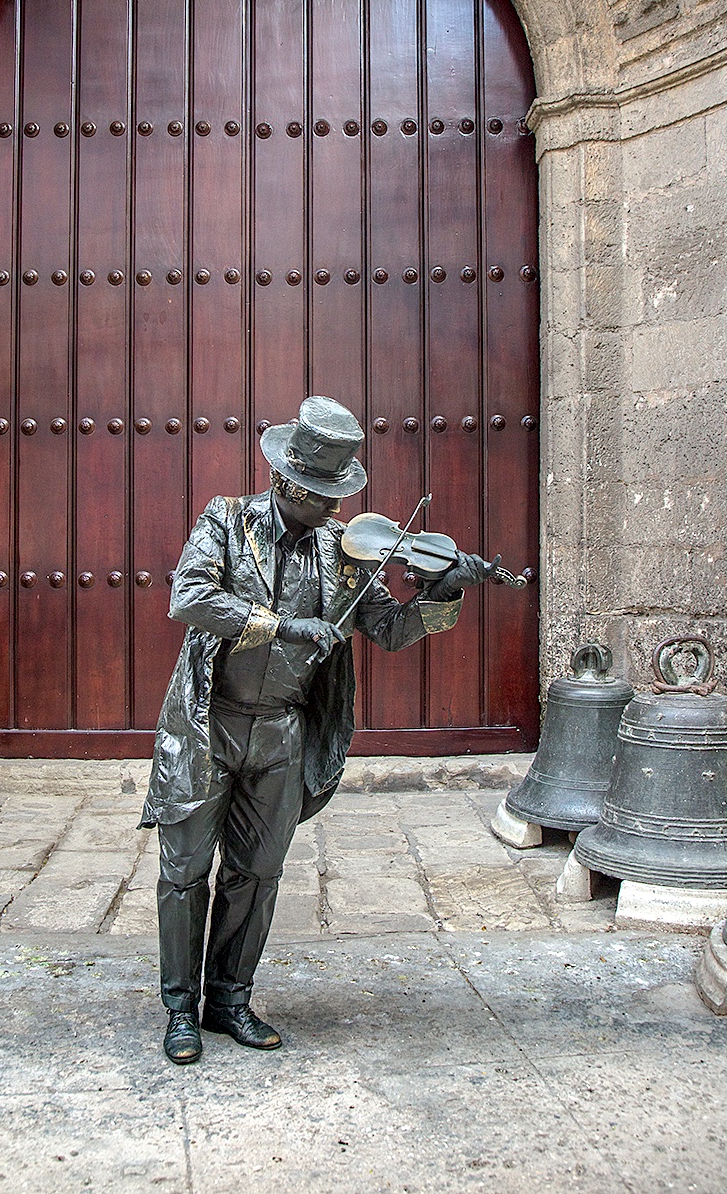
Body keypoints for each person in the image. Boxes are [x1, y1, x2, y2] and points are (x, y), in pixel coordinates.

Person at [139, 396, 495, 1063]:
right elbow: (188, 597)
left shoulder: (346, 549)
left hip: (281, 734)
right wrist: (282, 624)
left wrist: (443, 594)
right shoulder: (226, 519)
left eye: (339, 495)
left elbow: (388, 630)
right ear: (285, 482)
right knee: (184, 871)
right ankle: (179, 1009)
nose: (335, 510)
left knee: (258, 873)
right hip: (208, 725)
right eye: (322, 497)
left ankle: (230, 1000)